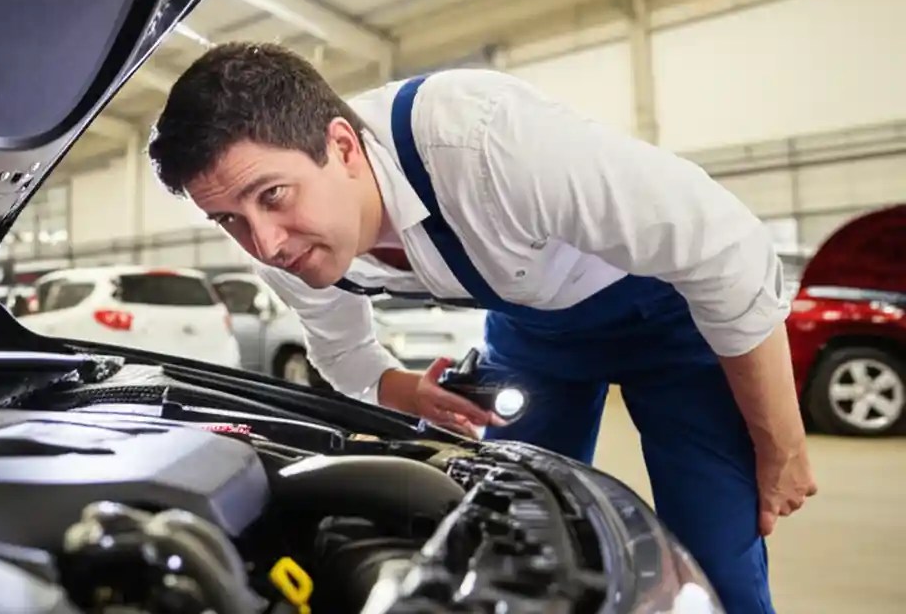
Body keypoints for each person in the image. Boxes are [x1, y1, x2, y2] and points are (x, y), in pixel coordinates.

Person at [146, 42, 816, 613]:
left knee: (716, 556)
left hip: (672, 320)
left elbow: (726, 249)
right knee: (506, 526)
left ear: (343, 147)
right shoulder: (286, 244)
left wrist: (779, 441)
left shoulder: (481, 138)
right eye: (229, 220)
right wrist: (408, 391)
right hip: (532, 337)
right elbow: (346, 353)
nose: (263, 243)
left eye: (272, 196)